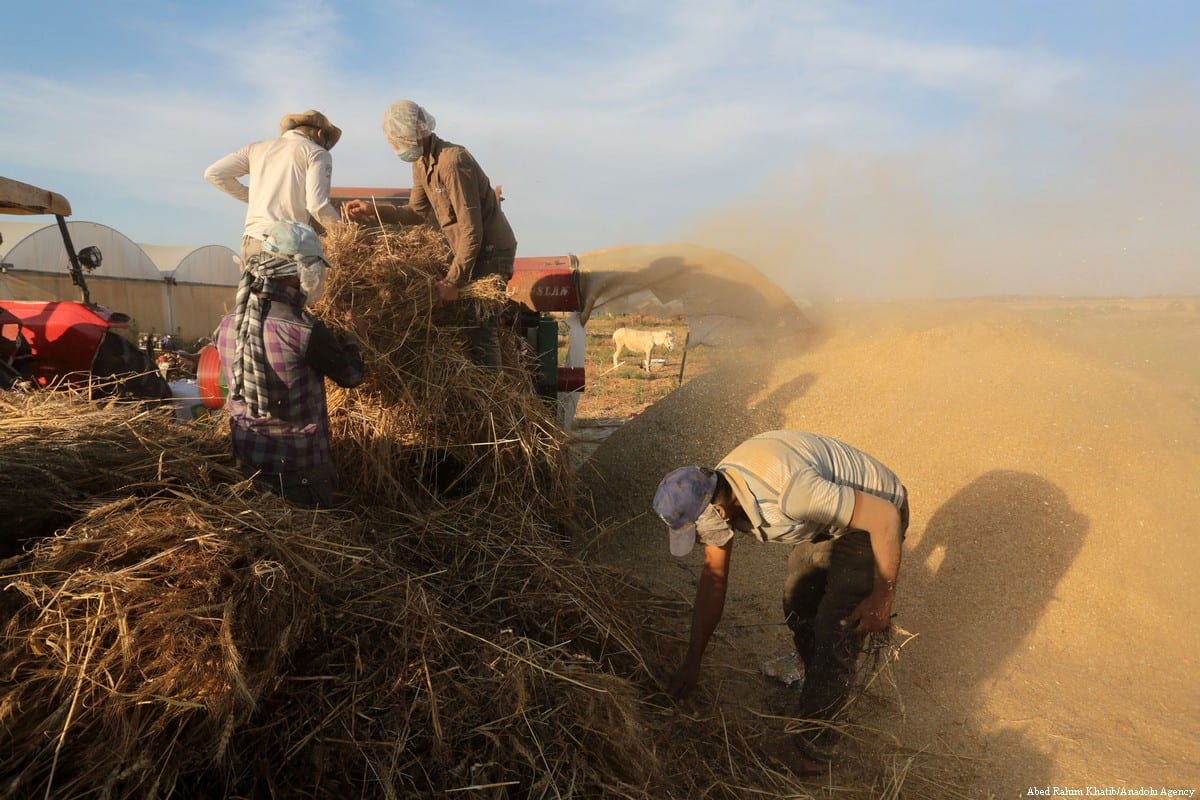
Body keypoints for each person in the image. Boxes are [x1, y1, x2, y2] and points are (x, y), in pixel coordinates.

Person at [653, 430, 909, 773]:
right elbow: (714, 581)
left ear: (716, 510)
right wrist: (693, 659)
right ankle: (818, 681)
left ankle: (814, 749)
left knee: (837, 627)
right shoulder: (721, 491)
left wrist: (881, 598)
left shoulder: (791, 495)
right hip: (827, 521)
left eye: (695, 532)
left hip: (873, 517)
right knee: (798, 601)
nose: (699, 540)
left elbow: (885, 518)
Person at [343, 99, 517, 367]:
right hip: (472, 249)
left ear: (418, 131)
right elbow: (415, 212)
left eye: (400, 138)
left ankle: (494, 396)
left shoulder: (452, 162)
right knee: (468, 324)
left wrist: (452, 282)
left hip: (491, 251)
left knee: (482, 328)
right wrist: (373, 210)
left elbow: (472, 230)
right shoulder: (421, 163)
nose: (398, 146)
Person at [213, 220, 364, 507]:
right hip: (300, 474)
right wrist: (354, 338)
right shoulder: (305, 329)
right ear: (297, 274)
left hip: (246, 468)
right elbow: (352, 376)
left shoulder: (228, 324)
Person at [205, 110, 343, 270]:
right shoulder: (316, 152)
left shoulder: (255, 149)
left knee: (251, 294)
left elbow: (214, 173)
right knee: (291, 295)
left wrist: (254, 198)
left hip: (252, 241)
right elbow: (316, 205)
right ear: (320, 134)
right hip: (288, 245)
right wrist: (344, 232)